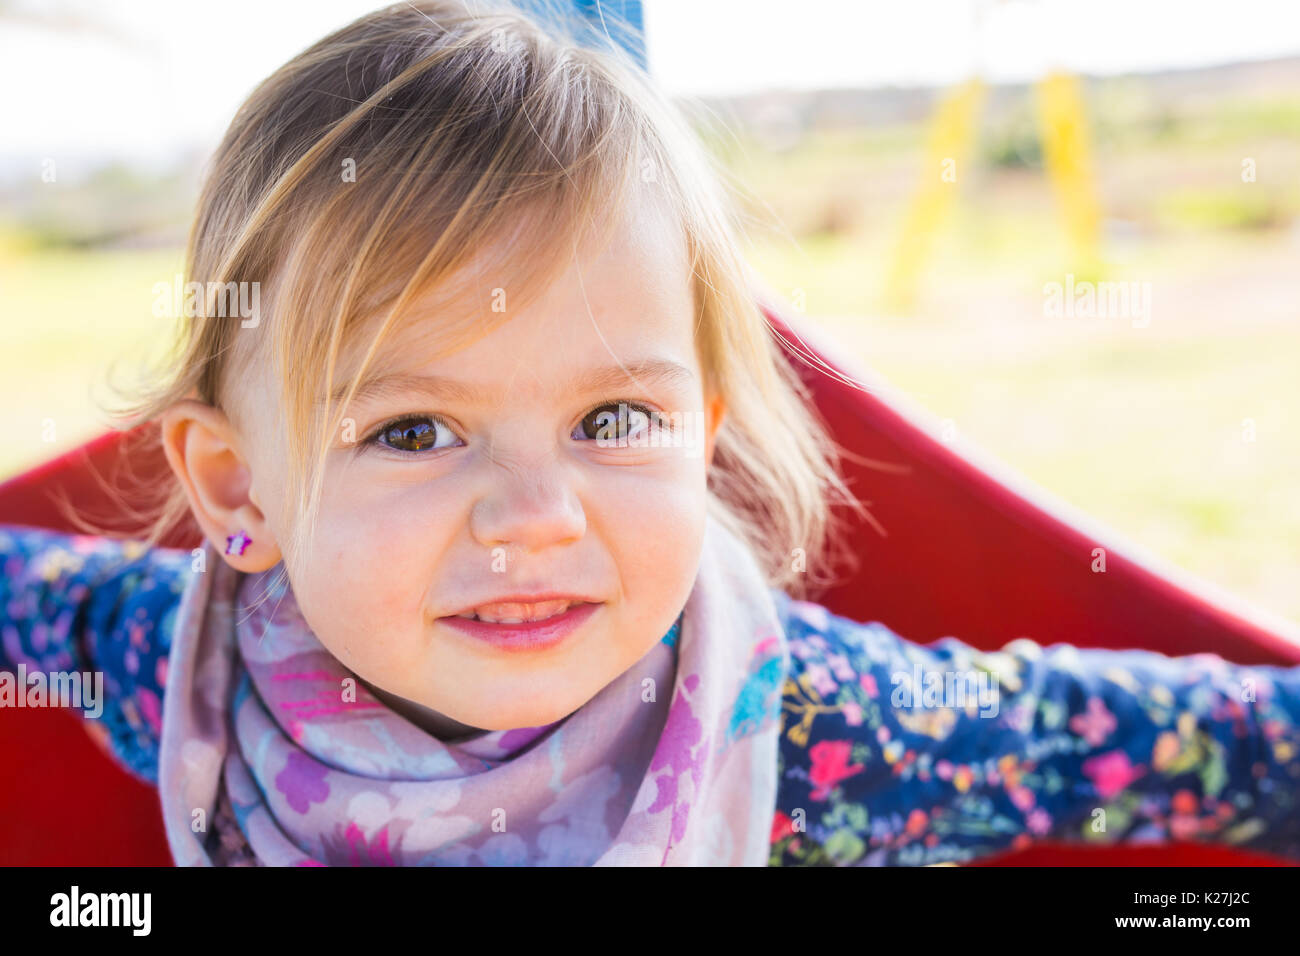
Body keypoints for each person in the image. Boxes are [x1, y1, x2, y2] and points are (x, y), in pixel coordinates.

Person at [2, 0, 1297, 866]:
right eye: (412, 431)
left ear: (704, 435)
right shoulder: (183, 660)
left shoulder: (812, 729)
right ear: (239, 487)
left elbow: (1140, 735)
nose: (536, 516)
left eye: (614, 419)